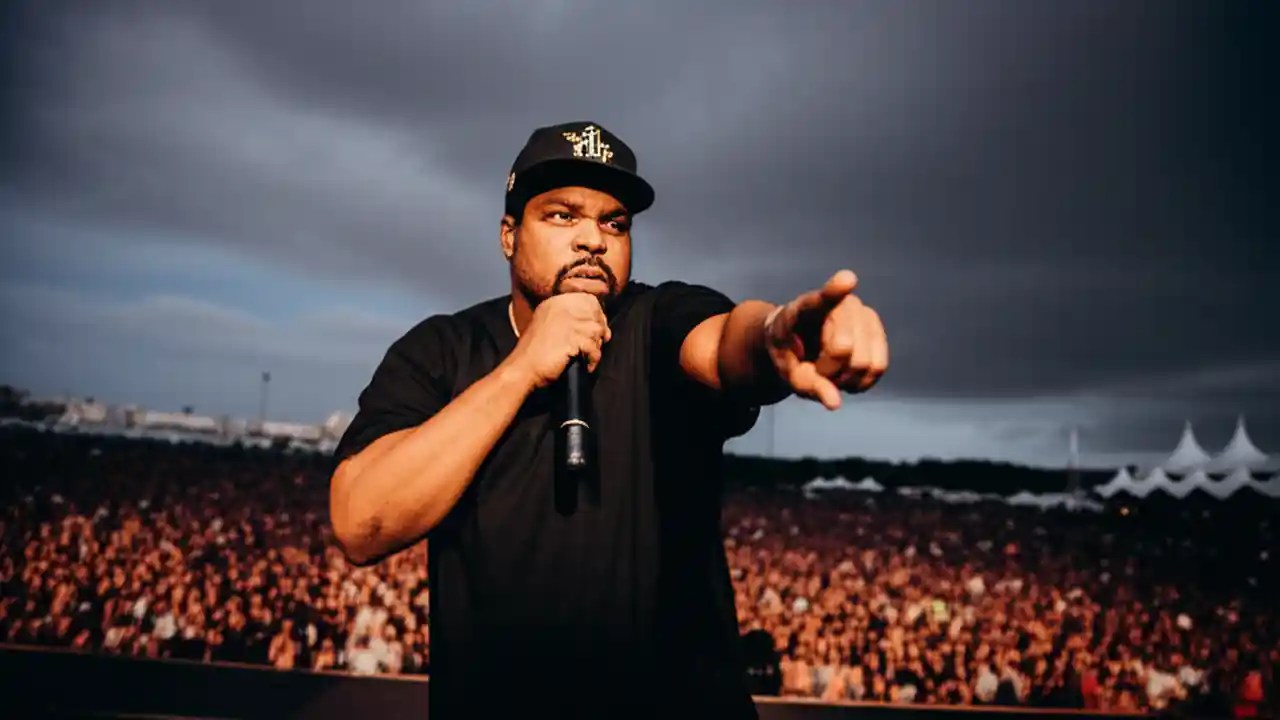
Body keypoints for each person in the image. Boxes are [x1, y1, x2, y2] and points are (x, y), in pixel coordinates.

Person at [328, 121, 889, 718]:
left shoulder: (659, 319)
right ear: (508, 236)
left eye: (613, 222)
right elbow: (361, 521)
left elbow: (726, 341)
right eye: (562, 215)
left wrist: (781, 334)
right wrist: (519, 371)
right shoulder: (440, 352)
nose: (593, 239)